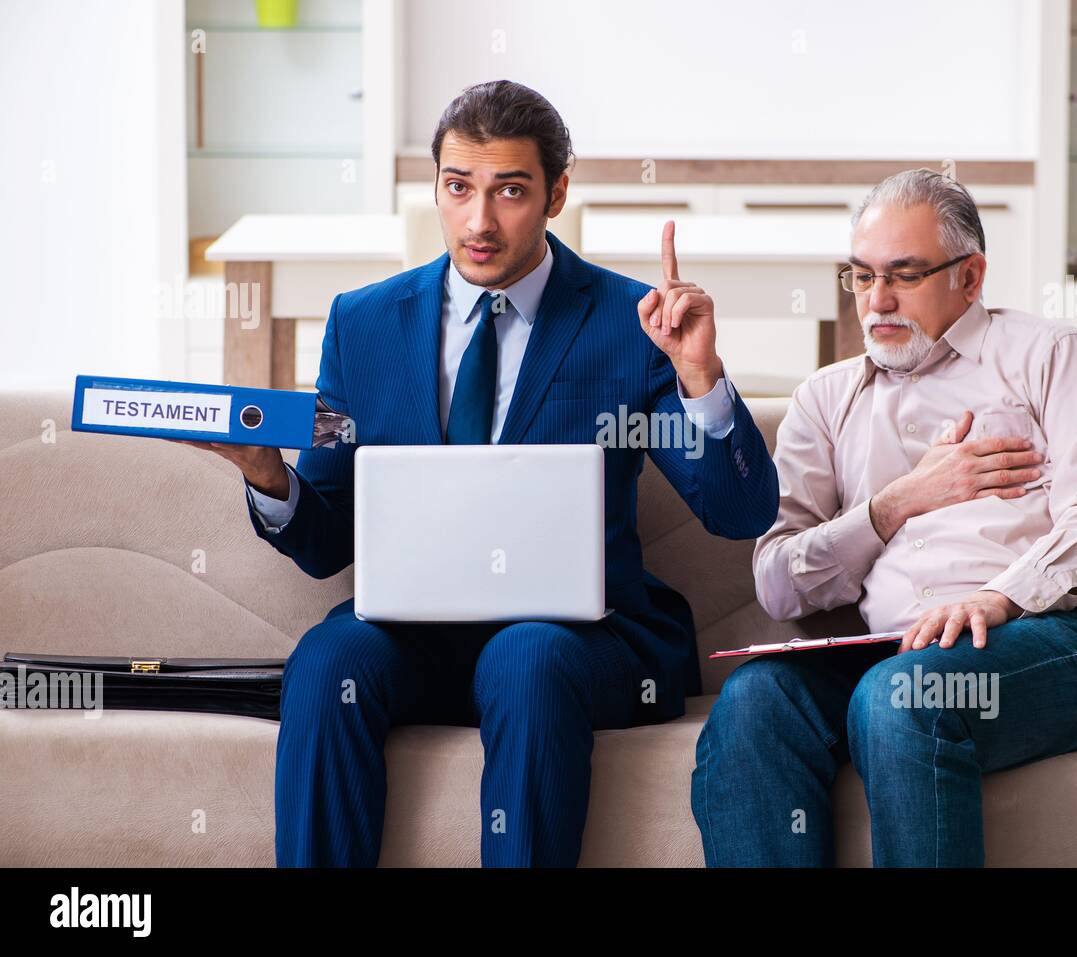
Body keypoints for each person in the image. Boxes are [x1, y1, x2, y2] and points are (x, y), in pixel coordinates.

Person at [180, 79, 778, 867]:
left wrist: (700, 375)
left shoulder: (632, 322)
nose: (479, 221)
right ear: (435, 186)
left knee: (523, 656)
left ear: (556, 193)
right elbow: (325, 540)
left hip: (580, 640)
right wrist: (268, 475)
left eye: (511, 192)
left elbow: (739, 509)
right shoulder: (363, 323)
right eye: (458, 189)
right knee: (326, 660)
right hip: (414, 637)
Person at [691, 168, 1077, 867]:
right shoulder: (825, 398)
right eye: (862, 276)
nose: (877, 300)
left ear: (970, 277)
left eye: (904, 275)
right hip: (892, 650)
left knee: (907, 693)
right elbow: (778, 583)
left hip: (1058, 636)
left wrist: (1000, 596)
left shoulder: (1053, 355)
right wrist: (899, 500)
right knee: (755, 700)